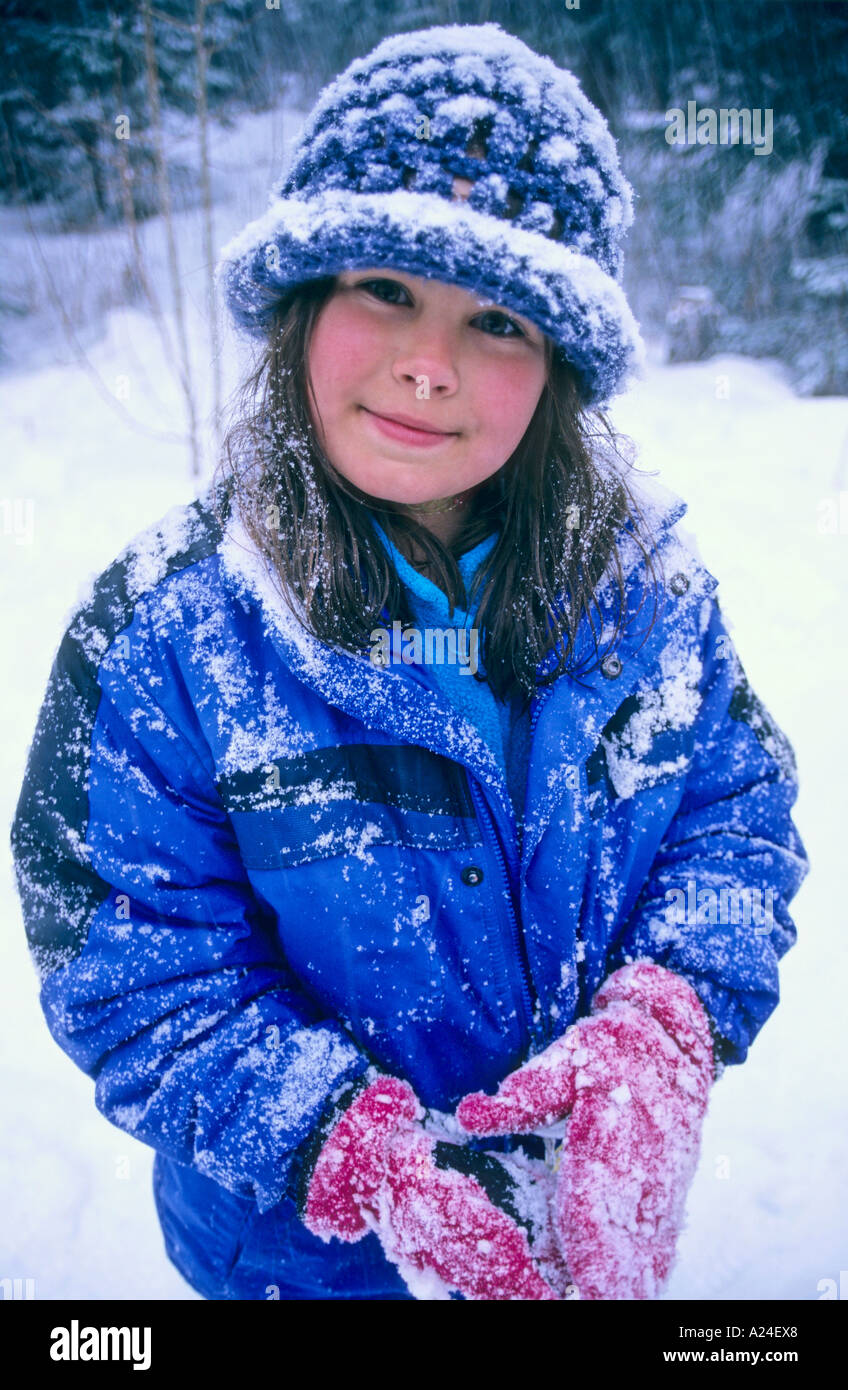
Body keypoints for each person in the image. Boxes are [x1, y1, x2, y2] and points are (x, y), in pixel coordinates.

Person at [10, 22, 809, 1302]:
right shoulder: (164, 634)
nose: (428, 364)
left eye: (497, 319)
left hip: (576, 1224)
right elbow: (129, 955)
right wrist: (343, 1145)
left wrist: (667, 1021)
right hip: (299, 1262)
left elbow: (732, 819)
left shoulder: (645, 594)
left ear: (557, 372)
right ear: (301, 303)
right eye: (385, 287)